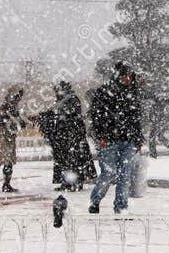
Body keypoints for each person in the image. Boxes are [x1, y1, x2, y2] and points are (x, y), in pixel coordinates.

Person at [88, 62, 144, 214]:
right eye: (124, 76)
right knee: (108, 173)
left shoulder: (133, 93)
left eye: (129, 76)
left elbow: (136, 118)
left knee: (124, 176)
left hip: (128, 140)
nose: (127, 79)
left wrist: (138, 139)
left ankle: (121, 207)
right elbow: (96, 116)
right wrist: (102, 136)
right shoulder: (104, 92)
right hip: (109, 140)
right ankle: (95, 200)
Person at [40, 80, 92, 190]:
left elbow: (70, 115)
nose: (57, 94)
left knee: (72, 160)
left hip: (71, 136)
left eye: (58, 91)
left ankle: (73, 182)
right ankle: (70, 182)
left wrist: (57, 118)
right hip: (67, 136)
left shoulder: (71, 99)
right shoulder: (64, 100)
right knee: (69, 160)